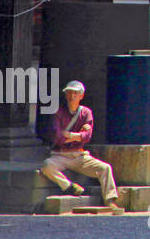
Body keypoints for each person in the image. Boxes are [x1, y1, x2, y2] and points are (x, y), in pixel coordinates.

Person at [40, 81, 121, 209]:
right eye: (69, 93)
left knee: (105, 168)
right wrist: (77, 135)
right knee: (47, 165)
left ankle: (110, 200)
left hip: (79, 155)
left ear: (81, 96)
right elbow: (57, 136)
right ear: (66, 95)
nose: (72, 96)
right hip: (61, 155)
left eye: (75, 93)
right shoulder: (59, 112)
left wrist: (70, 135)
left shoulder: (86, 113)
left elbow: (87, 136)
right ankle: (69, 187)